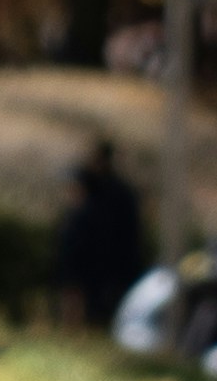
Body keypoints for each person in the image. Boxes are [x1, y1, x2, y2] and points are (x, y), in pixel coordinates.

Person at [56, 140, 149, 340]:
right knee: (79, 298)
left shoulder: (112, 193)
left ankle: (87, 336)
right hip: (86, 258)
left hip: (101, 261)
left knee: (96, 306)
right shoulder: (96, 186)